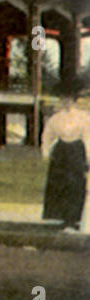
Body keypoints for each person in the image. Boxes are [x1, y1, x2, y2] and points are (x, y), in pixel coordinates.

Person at [40, 91, 90, 232]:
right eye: (63, 99)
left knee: (75, 185)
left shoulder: (83, 117)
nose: (66, 102)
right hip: (61, 152)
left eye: (69, 99)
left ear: (75, 100)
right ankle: (61, 217)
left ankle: (73, 219)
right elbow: (47, 135)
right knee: (60, 184)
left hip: (76, 151)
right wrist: (46, 151)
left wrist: (88, 156)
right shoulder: (56, 118)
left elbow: (87, 137)